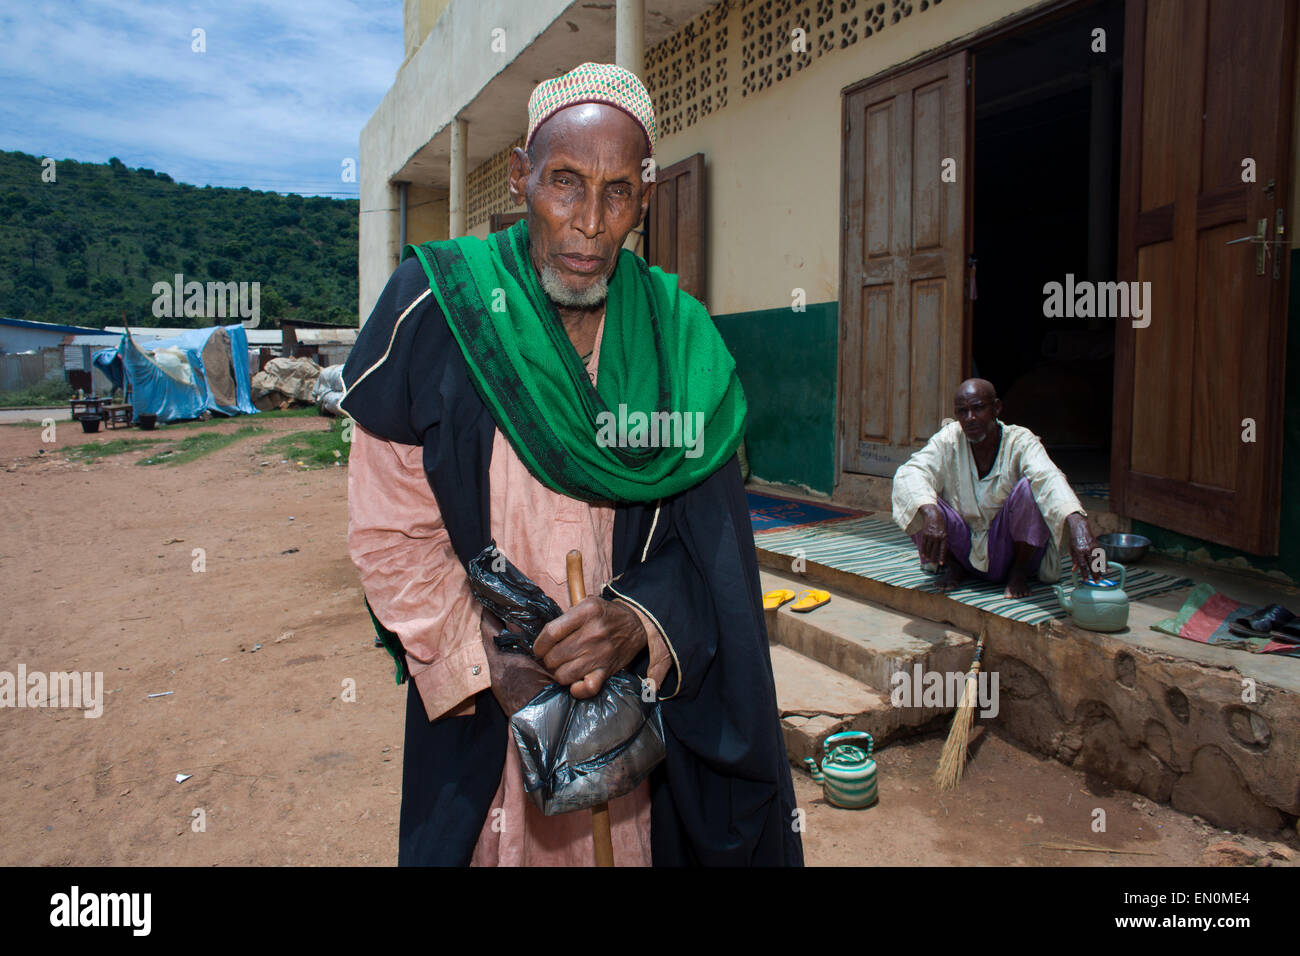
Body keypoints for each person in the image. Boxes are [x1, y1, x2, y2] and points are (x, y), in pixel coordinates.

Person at [341, 63, 802, 867]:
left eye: (617, 192)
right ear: (521, 176)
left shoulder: (679, 344)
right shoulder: (437, 309)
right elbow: (389, 533)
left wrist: (638, 622)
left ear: (644, 203)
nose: (589, 223)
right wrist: (490, 665)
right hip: (484, 730)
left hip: (634, 743)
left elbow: (718, 561)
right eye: (565, 183)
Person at [892, 378, 1100, 599]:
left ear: (997, 408)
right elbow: (911, 472)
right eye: (962, 411)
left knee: (1030, 491)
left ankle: (1018, 573)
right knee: (916, 495)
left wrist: (1078, 522)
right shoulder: (949, 437)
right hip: (963, 545)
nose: (970, 418)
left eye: (979, 408)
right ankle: (954, 567)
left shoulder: (1020, 440)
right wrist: (930, 511)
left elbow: (1047, 478)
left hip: (1007, 549)